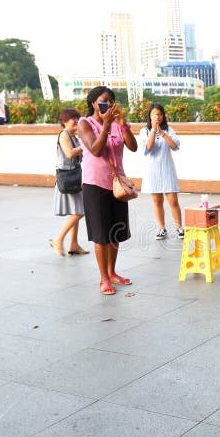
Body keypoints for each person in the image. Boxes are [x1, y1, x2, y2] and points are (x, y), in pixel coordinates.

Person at [77, 86, 138, 295]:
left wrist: (122, 123)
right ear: (94, 102)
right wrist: (104, 124)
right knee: (101, 234)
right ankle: (103, 278)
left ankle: (112, 272)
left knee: (115, 233)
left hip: (117, 184)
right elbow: (95, 149)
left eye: (111, 101)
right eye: (104, 101)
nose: (109, 105)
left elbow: (133, 146)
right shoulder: (84, 124)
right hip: (95, 184)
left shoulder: (116, 124)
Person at [139, 103, 184, 240]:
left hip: (167, 169)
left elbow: (175, 145)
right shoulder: (144, 131)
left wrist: (162, 133)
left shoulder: (169, 130)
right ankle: (161, 228)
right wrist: (153, 131)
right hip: (153, 170)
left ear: (163, 116)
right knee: (157, 201)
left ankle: (179, 228)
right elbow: (148, 148)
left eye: (159, 114)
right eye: (153, 115)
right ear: (149, 117)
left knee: (173, 200)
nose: (156, 117)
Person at [51, 108, 88, 257]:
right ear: (64, 121)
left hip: (76, 176)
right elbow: (70, 153)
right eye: (73, 118)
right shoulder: (64, 134)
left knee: (76, 210)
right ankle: (58, 239)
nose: (76, 120)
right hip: (68, 177)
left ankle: (73, 244)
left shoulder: (75, 137)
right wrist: (86, 145)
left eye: (78, 118)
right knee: (80, 211)